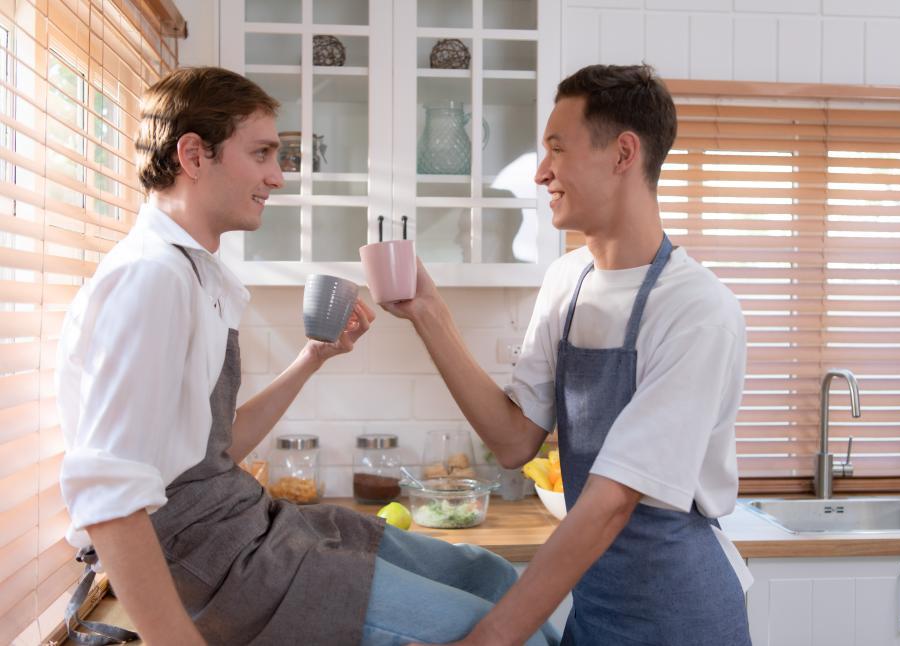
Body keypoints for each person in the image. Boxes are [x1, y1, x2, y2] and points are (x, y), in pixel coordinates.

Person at [56, 66, 559, 646]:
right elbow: (107, 494)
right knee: (493, 631)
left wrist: (313, 357)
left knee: (494, 576)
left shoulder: (194, 272)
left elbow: (209, 453)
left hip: (249, 528)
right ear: (194, 156)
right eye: (263, 153)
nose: (278, 177)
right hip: (216, 568)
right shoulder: (151, 278)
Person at [385, 64, 753, 645]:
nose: (541, 172)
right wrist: (429, 316)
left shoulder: (698, 310)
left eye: (558, 148)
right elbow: (513, 441)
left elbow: (612, 502)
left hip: (680, 616)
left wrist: (490, 639)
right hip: (597, 606)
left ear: (623, 153)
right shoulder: (567, 281)